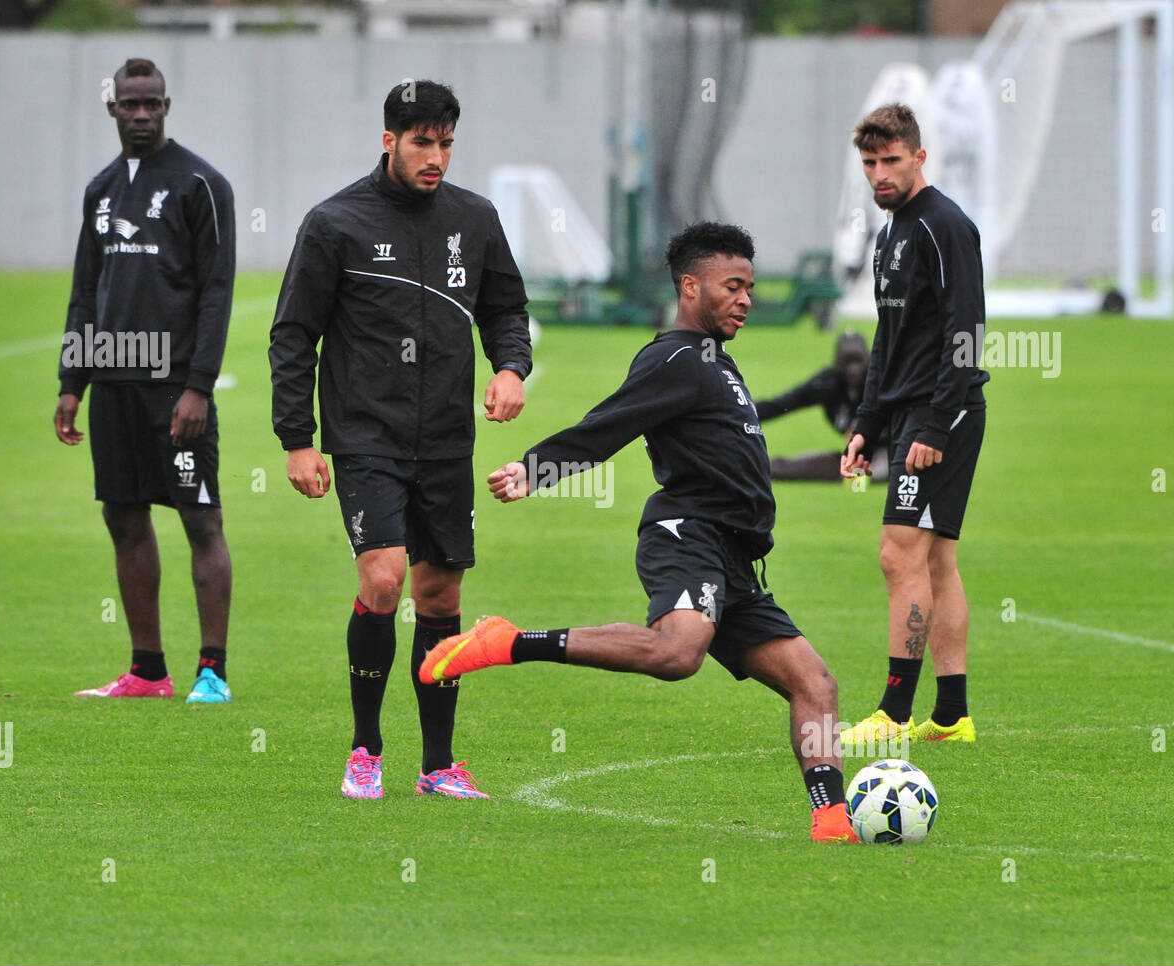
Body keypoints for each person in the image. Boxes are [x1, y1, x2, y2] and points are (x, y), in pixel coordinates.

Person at [419, 222, 859, 843]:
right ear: (690, 286)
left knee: (815, 682)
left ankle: (832, 820)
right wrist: (535, 469)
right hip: (690, 536)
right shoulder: (674, 358)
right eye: (732, 286)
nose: (745, 299)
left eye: (750, 288)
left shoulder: (714, 361)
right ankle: (509, 641)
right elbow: (610, 425)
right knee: (677, 653)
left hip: (734, 561)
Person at [268, 81, 532, 801]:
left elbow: (506, 307)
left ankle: (438, 764)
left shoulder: (474, 219)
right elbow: (295, 334)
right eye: (422, 142)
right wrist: (298, 438)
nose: (436, 157)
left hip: (446, 438)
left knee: (439, 593)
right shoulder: (335, 223)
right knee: (383, 580)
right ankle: (365, 749)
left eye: (446, 142)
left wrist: (512, 367)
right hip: (365, 436)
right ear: (388, 140)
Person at [55, 57, 235, 705]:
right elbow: (85, 289)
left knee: (200, 520)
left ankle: (211, 671)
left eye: (151, 104)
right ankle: (147, 670)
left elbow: (217, 292)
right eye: (130, 105)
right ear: (112, 109)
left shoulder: (201, 183)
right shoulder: (100, 189)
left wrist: (198, 387)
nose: (140, 114)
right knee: (124, 517)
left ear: (166, 106)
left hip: (174, 389)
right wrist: (72, 381)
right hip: (113, 385)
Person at [839, 103, 989, 746]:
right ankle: (952, 716)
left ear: (919, 157)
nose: (880, 174)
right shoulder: (890, 233)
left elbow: (967, 330)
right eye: (870, 163)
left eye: (891, 161)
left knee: (898, 555)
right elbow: (888, 338)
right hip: (904, 414)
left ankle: (893, 713)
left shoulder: (945, 226)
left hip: (940, 415)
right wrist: (866, 422)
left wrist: (932, 423)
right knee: (937, 561)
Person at [756, 330, 887, 482]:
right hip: (851, 457)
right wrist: (741, 414)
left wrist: (869, 429)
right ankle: (757, 468)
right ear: (837, 362)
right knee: (778, 469)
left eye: (857, 361)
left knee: (874, 474)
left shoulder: (882, 380)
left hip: (891, 450)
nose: (853, 369)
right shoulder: (826, 384)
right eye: (848, 362)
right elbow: (780, 405)